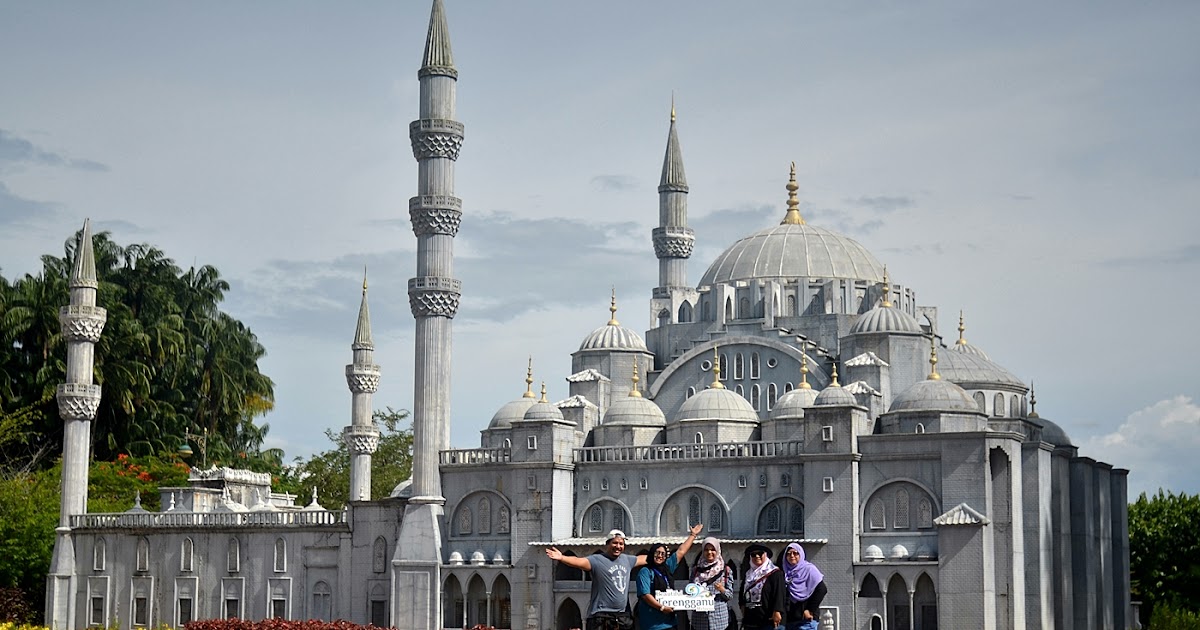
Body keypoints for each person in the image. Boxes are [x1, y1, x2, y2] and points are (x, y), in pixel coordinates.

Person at [546, 523, 701, 630]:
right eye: (615, 543)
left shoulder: (628, 560)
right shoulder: (597, 560)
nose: (618, 546)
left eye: (621, 543)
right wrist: (562, 558)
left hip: (622, 615)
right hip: (601, 614)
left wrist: (692, 536)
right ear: (608, 543)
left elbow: (676, 553)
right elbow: (579, 562)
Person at [635, 523, 703, 630]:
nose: (660, 556)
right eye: (657, 553)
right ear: (651, 554)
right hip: (653, 624)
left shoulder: (667, 568)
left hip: (670, 622)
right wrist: (661, 607)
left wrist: (693, 535)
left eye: (663, 554)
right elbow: (645, 595)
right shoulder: (645, 572)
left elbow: (680, 551)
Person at [688, 537, 734, 630]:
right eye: (706, 550)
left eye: (713, 549)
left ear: (717, 550)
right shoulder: (696, 571)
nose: (709, 553)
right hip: (700, 620)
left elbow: (729, 596)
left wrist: (722, 589)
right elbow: (690, 592)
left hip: (719, 620)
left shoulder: (725, 570)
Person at [780, 543, 827, 630]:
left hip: (807, 619)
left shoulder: (809, 569)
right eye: (788, 554)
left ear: (801, 554)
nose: (792, 556)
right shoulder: (786, 572)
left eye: (795, 553)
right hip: (791, 619)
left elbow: (822, 590)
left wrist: (809, 609)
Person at [739, 544, 785, 630]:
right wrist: (742, 606)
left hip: (768, 619)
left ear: (766, 555)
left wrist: (777, 611)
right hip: (751, 619)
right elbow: (742, 592)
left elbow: (779, 593)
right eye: (753, 554)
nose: (757, 556)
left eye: (760, 554)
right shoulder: (749, 575)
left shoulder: (775, 573)